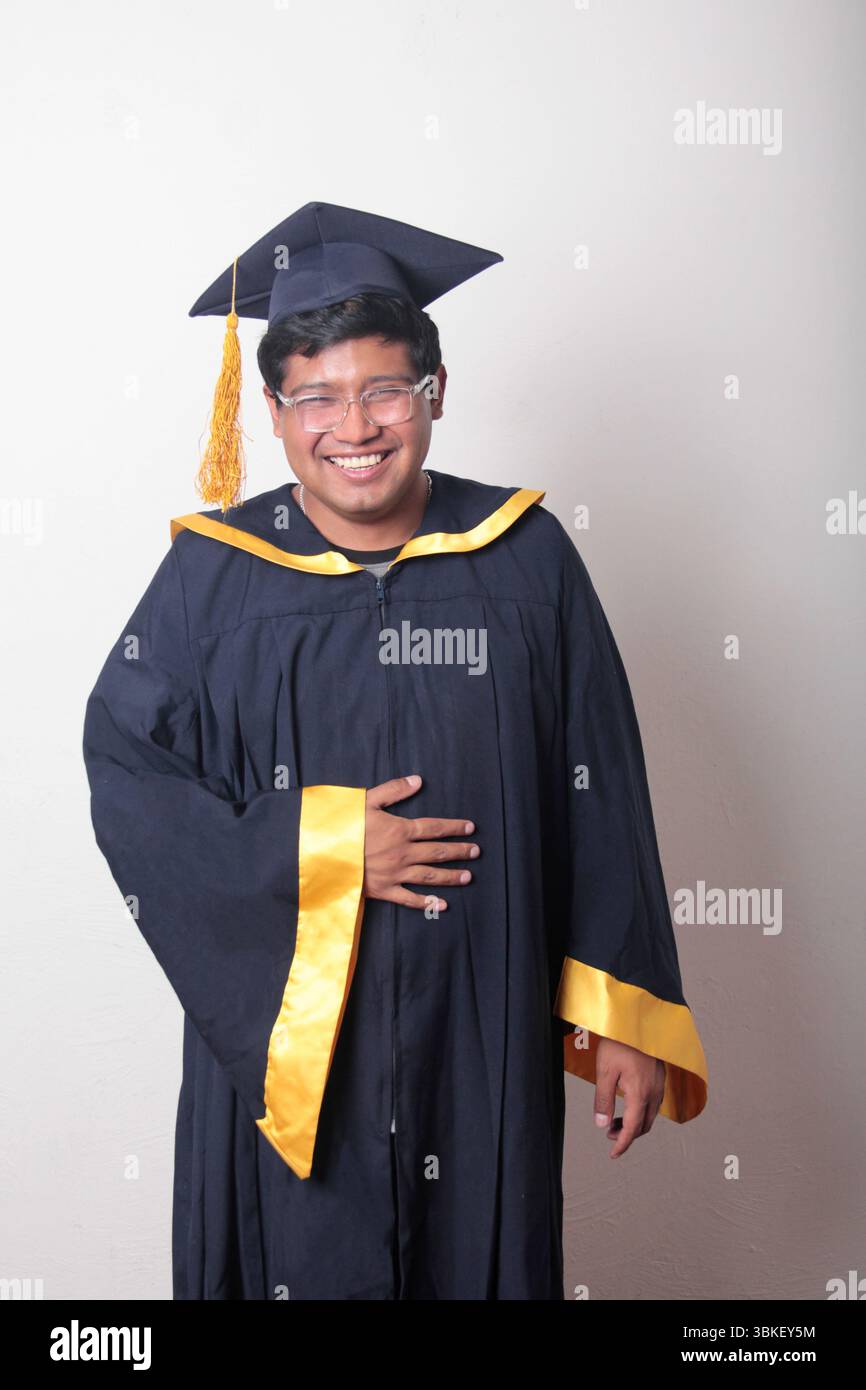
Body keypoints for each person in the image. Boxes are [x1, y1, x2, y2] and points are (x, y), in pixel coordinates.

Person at [82, 201, 708, 1301]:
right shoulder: (212, 576)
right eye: (315, 396)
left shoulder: (524, 560)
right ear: (270, 412)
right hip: (289, 1052)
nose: (354, 426)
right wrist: (319, 849)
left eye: (383, 390)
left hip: (481, 1016)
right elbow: (128, 775)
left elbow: (598, 784)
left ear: (434, 393)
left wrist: (623, 1016)